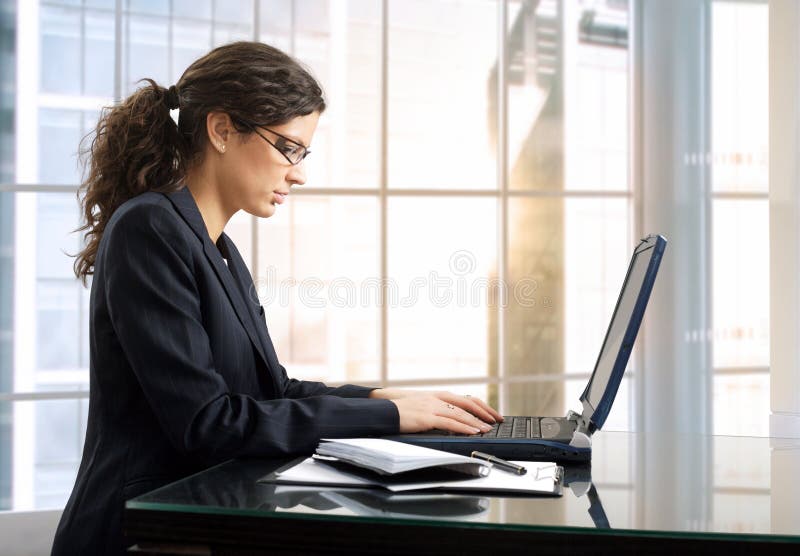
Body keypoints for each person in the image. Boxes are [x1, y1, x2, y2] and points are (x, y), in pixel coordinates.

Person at [50, 41, 502, 555]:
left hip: (197, 526)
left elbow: (272, 389)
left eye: (303, 153)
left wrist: (384, 399)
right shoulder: (151, 228)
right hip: (136, 536)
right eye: (288, 147)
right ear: (222, 130)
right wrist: (391, 418)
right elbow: (210, 423)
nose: (299, 171)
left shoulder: (219, 249)